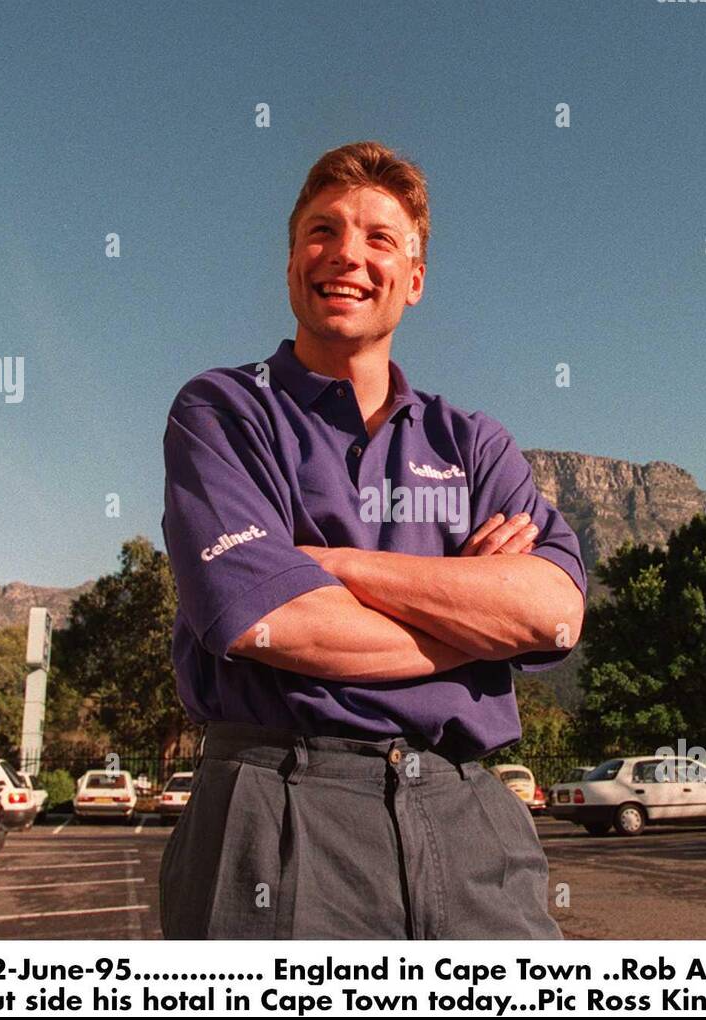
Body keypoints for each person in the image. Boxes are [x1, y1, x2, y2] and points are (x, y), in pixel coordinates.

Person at [158, 141, 587, 939]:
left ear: (415, 280)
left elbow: (553, 613)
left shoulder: (474, 443)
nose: (346, 253)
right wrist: (473, 623)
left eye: (379, 238)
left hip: (466, 811)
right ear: (292, 261)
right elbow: (266, 619)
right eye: (322, 231)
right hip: (278, 802)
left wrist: (335, 565)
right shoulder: (220, 411)